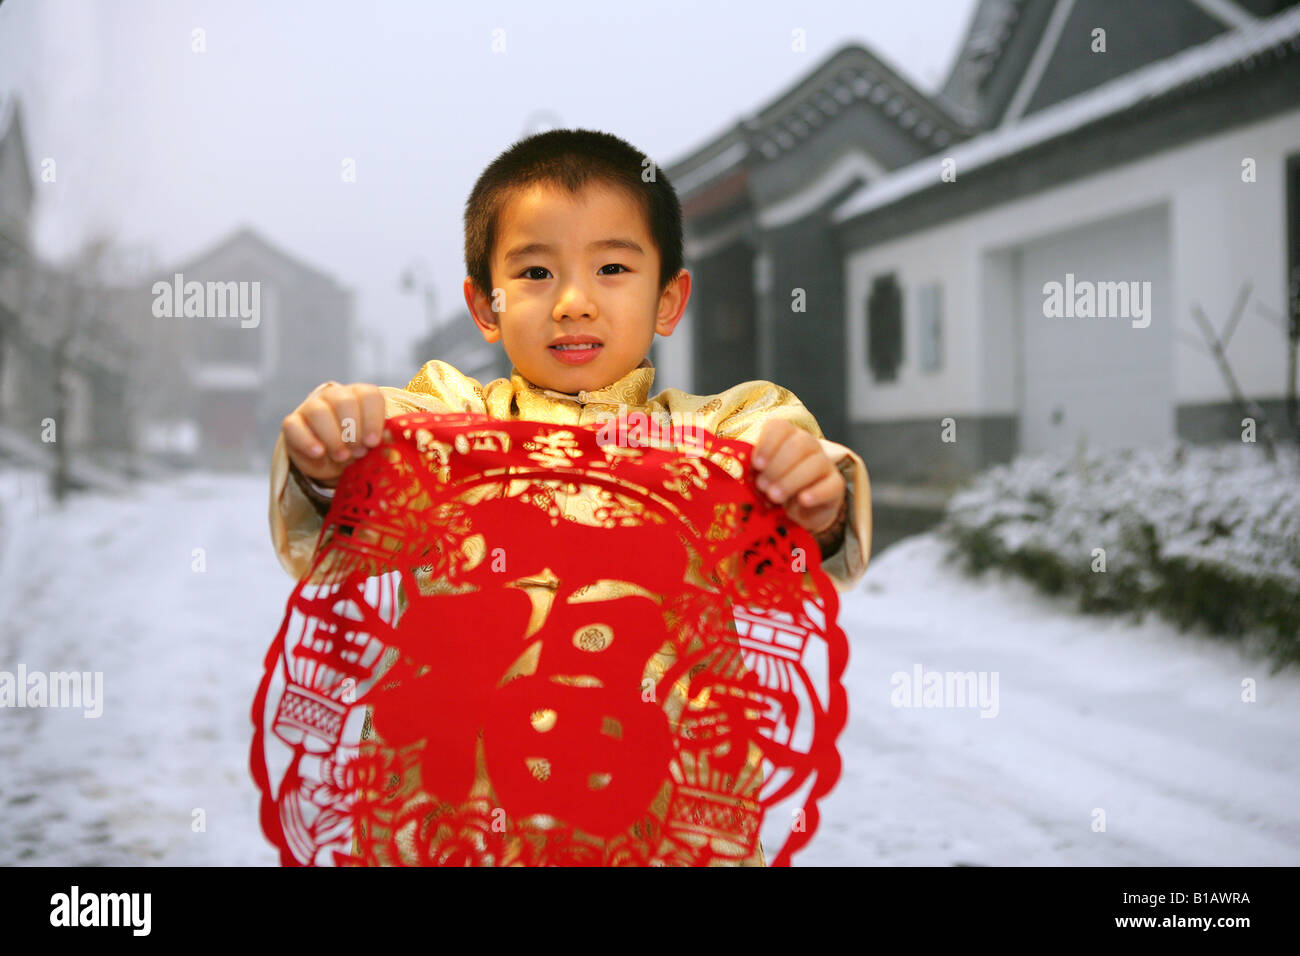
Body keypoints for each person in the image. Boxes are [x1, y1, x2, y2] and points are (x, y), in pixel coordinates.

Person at [266, 128, 872, 865]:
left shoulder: (715, 433)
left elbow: (791, 478)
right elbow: (385, 447)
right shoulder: (455, 420)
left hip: (658, 823)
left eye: (612, 266)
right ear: (485, 305)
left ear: (669, 298)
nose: (574, 303)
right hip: (454, 825)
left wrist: (813, 492)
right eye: (535, 273)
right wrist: (333, 455)